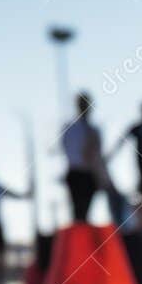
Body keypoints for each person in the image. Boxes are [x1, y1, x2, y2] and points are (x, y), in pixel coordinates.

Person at [60, 92, 106, 224]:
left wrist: (99, 176)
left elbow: (97, 156)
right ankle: (78, 239)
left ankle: (84, 237)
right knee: (77, 213)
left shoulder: (94, 130)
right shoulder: (70, 128)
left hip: (89, 175)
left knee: (84, 213)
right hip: (76, 173)